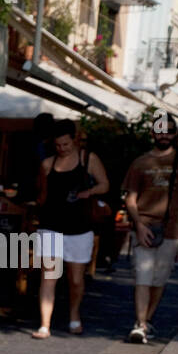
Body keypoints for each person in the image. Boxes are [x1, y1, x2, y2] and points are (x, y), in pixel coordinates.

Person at [122, 116, 178, 343]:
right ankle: (140, 323)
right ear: (152, 133)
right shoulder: (140, 163)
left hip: (172, 229)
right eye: (159, 131)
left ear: (175, 134)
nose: (164, 135)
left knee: (159, 280)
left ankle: (146, 321)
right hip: (144, 226)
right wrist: (139, 225)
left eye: (168, 131)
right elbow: (130, 199)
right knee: (142, 277)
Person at [31, 119, 108, 338]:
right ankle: (44, 324)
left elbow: (105, 184)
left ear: (74, 139)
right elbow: (41, 195)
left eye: (66, 144)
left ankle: (74, 316)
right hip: (51, 225)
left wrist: (89, 192)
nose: (62, 149)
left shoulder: (88, 159)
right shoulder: (47, 164)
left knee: (76, 278)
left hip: (80, 226)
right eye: (58, 145)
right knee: (49, 275)